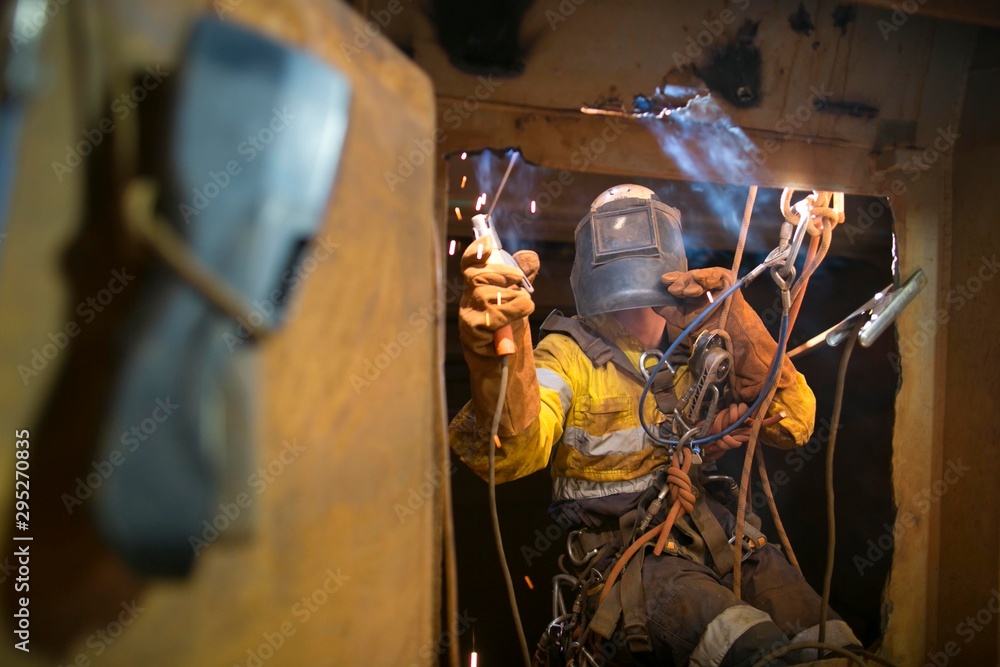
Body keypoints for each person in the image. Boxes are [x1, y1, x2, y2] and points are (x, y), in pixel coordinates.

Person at [449, 184, 859, 665]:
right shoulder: (566, 355)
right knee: (750, 647)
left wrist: (738, 325)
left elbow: (794, 424)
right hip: (629, 562)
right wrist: (499, 358)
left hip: (715, 532)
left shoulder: (701, 343)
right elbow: (513, 455)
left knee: (829, 640)